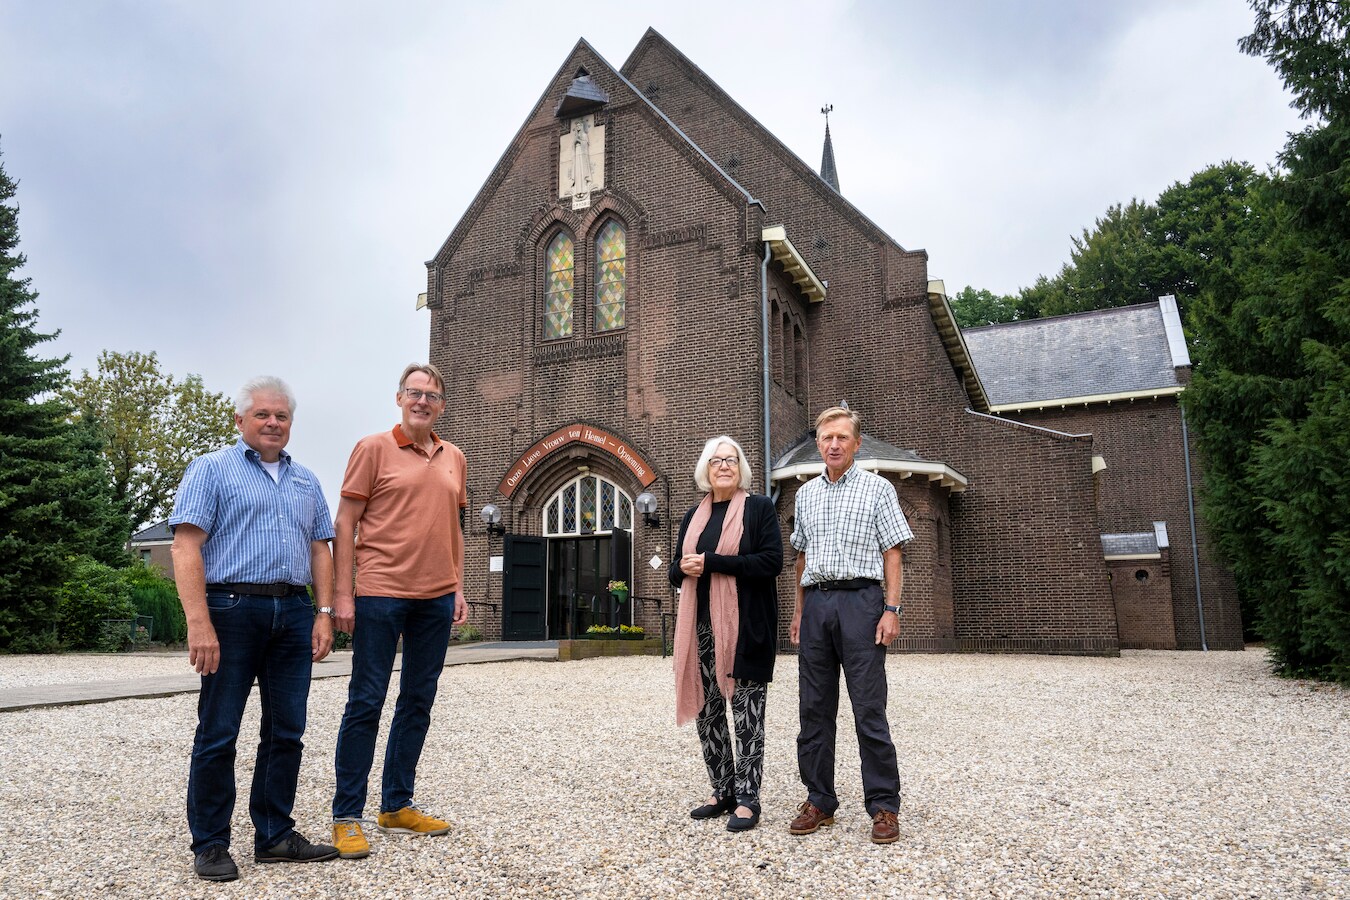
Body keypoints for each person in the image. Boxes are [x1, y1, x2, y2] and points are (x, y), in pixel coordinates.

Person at [169, 376, 339, 882]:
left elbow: (319, 549)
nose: (273, 423)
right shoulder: (211, 470)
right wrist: (199, 622)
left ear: (291, 423)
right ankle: (211, 842)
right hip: (230, 610)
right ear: (240, 420)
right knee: (219, 731)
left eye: (282, 416)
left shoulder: (305, 480)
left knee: (287, 731)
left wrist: (324, 613)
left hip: (291, 613)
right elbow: (185, 547)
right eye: (263, 415)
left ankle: (275, 834)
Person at [329, 363, 468, 859]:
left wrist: (457, 586)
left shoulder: (455, 457)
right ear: (399, 398)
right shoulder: (372, 449)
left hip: (435, 596)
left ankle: (396, 804)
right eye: (415, 393)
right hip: (381, 592)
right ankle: (347, 814)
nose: (422, 401)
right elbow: (345, 524)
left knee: (417, 701)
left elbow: (454, 527)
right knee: (366, 700)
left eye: (432, 395)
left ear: (442, 405)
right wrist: (343, 595)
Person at [788, 406, 913, 845]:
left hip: (863, 602)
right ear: (819, 444)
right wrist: (800, 610)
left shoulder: (879, 489)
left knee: (868, 709)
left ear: (856, 443)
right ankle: (819, 800)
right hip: (818, 604)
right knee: (813, 709)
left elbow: (893, 552)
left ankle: (883, 806)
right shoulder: (804, 496)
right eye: (827, 438)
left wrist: (891, 610)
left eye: (842, 437)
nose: (834, 444)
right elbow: (801, 558)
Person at [669, 435, 783, 833]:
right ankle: (722, 790)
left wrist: (713, 562)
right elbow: (675, 572)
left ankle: (749, 798)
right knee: (709, 711)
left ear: (741, 468)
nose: (723, 466)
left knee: (748, 714)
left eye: (731, 460)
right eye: (716, 461)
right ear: (705, 468)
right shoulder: (693, 516)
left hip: (745, 627)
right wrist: (685, 568)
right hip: (699, 628)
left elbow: (771, 562)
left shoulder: (758, 508)